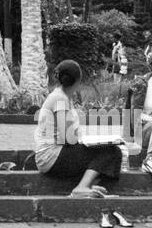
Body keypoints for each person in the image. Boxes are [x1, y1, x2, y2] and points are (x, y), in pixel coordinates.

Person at [34, 59, 123, 197]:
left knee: (110, 151)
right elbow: (68, 139)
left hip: (53, 155)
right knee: (112, 151)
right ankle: (81, 187)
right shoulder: (60, 99)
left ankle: (91, 185)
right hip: (53, 157)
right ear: (78, 81)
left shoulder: (61, 97)